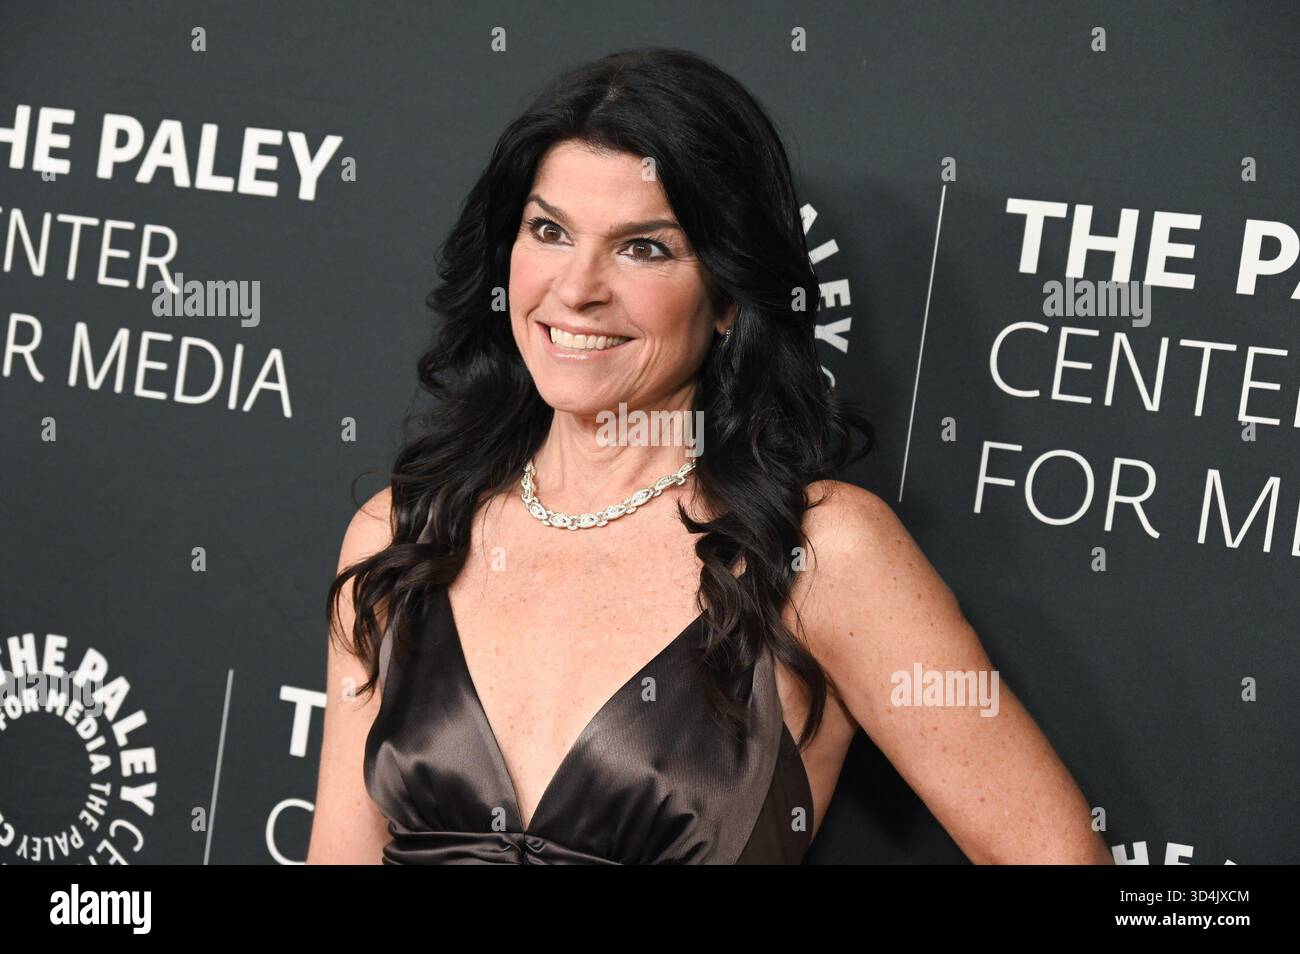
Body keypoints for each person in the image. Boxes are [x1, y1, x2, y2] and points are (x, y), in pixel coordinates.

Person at [307, 47, 1112, 865]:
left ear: (727, 296)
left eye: (643, 248)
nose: (576, 289)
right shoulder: (404, 535)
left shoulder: (818, 553)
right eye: (549, 231)